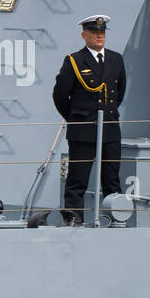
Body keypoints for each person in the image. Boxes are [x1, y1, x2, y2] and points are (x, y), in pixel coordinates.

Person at [52, 14, 126, 226]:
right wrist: (77, 119)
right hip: (83, 131)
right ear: (84, 35)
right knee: (78, 180)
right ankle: (74, 220)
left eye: (102, 32)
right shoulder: (74, 61)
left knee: (112, 179)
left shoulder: (115, 59)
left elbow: (119, 92)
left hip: (110, 129)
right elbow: (60, 96)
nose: (100, 35)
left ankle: (116, 220)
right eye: (95, 32)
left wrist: (106, 115)